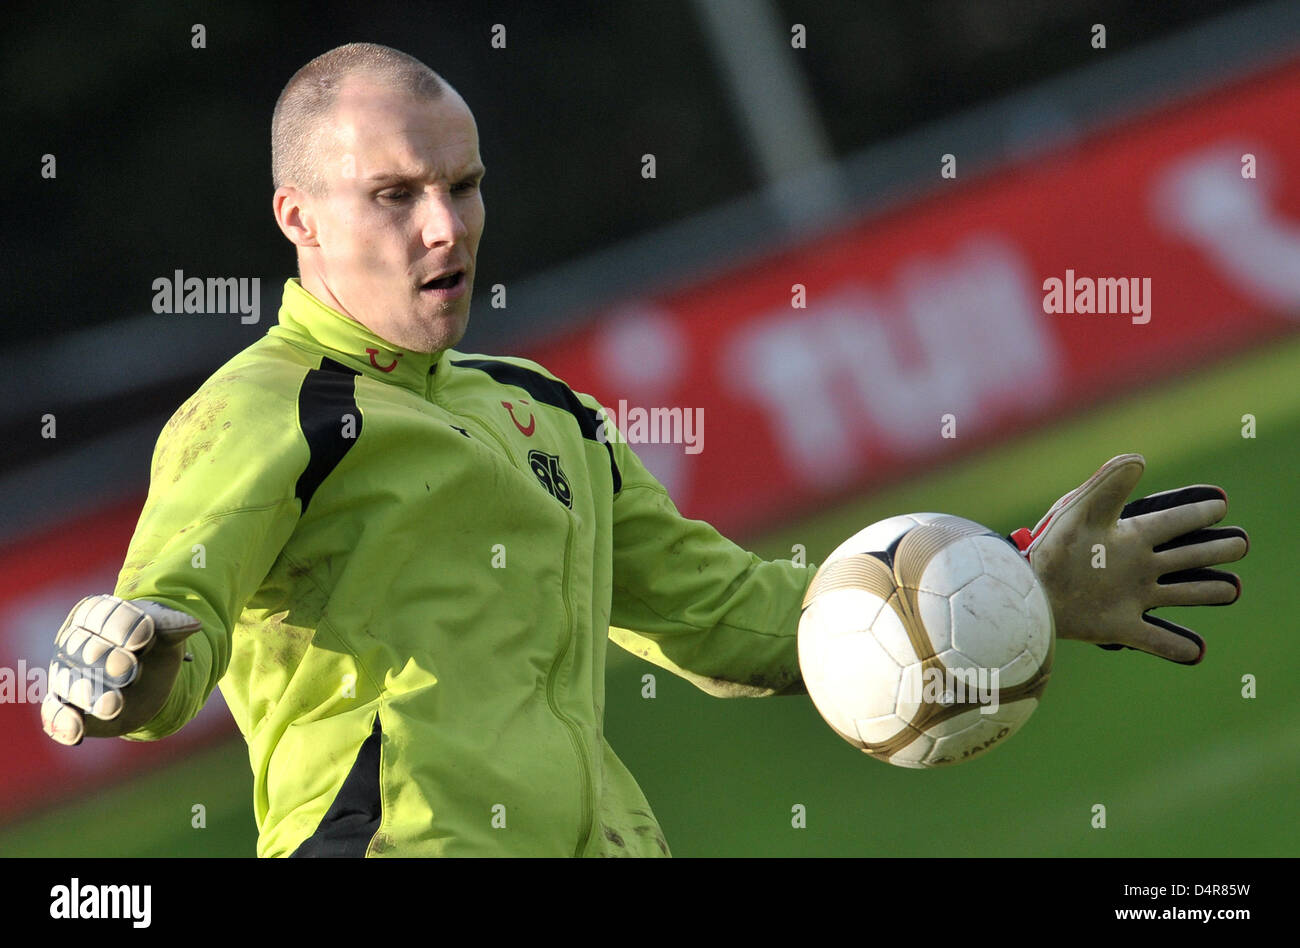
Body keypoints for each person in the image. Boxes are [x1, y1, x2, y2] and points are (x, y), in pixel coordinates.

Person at [40, 43, 1248, 857]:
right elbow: (167, 633)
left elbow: (737, 621)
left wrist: (1016, 573)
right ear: (298, 219)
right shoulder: (265, 411)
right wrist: (131, 669)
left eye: (461, 188)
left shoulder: (541, 412)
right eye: (394, 196)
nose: (444, 227)